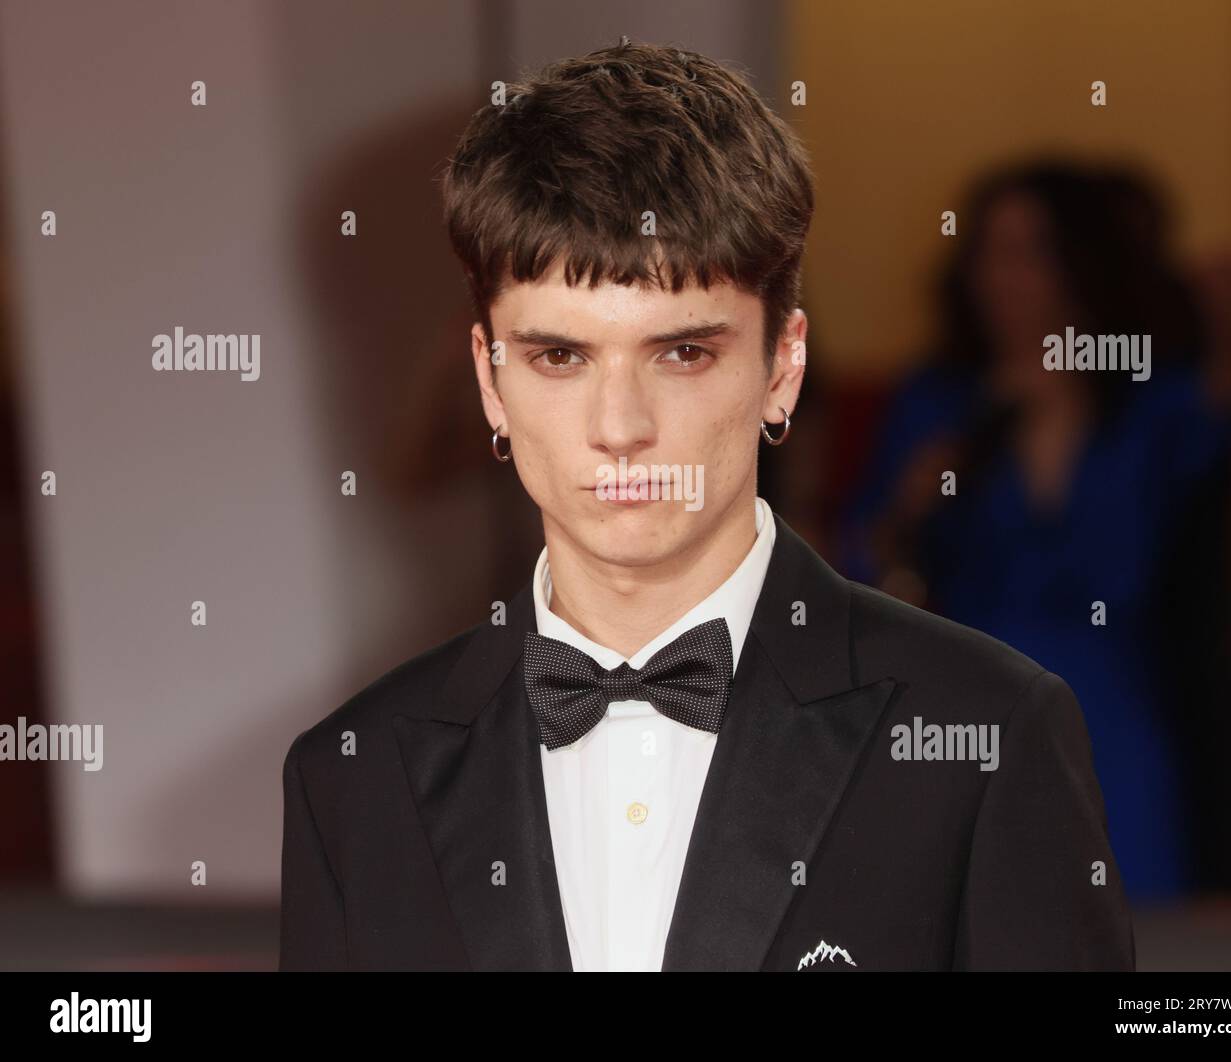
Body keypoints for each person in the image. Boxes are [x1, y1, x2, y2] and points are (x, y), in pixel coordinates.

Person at [280, 43, 1133, 971]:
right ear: (490, 382)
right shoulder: (353, 774)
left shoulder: (987, 732)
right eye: (559, 356)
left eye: (681, 352)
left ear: (782, 366)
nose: (620, 427)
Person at [838, 161, 1231, 903]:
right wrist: (909, 507)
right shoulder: (937, 402)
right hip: (970, 711)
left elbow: (1215, 448)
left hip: (1115, 717)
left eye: (1033, 253)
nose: (1007, 279)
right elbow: (857, 572)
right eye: (992, 253)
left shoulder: (1146, 407)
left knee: (1132, 932)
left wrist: (1225, 326)